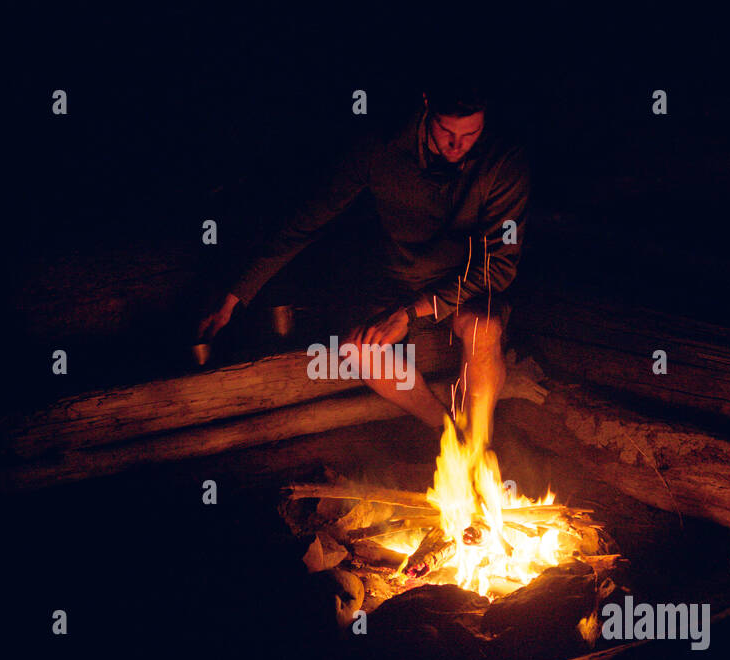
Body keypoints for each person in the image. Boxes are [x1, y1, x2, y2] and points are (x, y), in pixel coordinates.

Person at [197, 79, 529, 449]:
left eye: (471, 133)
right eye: (446, 130)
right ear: (425, 106)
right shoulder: (380, 149)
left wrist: (410, 314)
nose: (457, 145)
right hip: (398, 282)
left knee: (483, 330)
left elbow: (498, 267)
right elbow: (304, 223)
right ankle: (449, 436)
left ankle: (480, 448)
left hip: (464, 286)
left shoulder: (505, 163)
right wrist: (233, 295)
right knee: (358, 348)